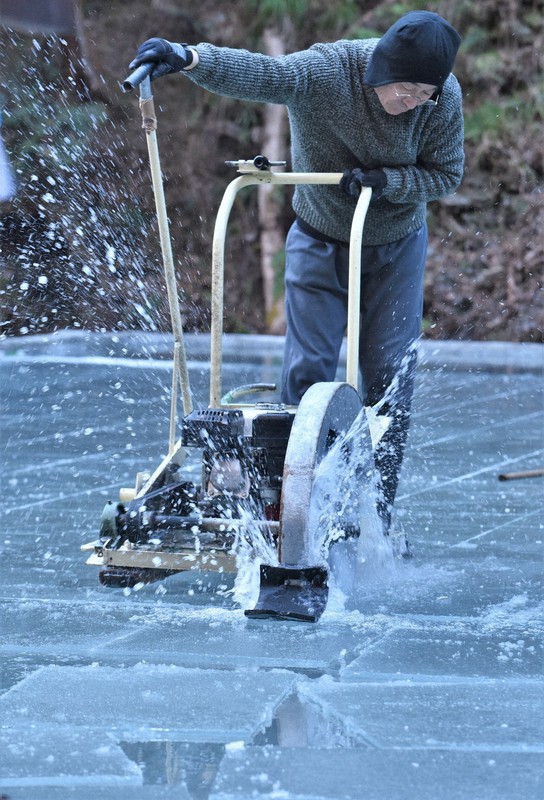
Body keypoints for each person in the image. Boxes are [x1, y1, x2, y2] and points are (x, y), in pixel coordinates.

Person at [129, 11, 464, 535]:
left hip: (396, 244)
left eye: (425, 93)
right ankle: (282, 503)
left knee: (389, 378)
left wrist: (390, 180)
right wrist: (188, 57)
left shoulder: (442, 99)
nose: (413, 102)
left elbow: (445, 172)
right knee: (308, 367)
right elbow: (262, 74)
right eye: (406, 90)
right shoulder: (327, 72)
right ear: (381, 69)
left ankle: (376, 515)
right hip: (319, 234)